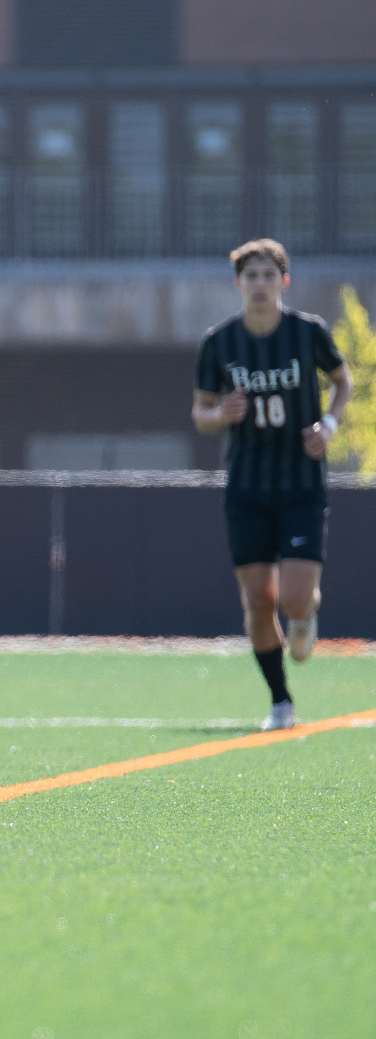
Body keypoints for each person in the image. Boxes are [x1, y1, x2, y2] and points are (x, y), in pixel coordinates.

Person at [191, 237, 352, 731]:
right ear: (238, 283)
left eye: (268, 276)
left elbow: (342, 381)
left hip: (301, 483)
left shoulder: (308, 333)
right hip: (246, 488)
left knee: (294, 600)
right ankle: (280, 701)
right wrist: (222, 412)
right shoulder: (219, 343)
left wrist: (328, 425)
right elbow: (200, 413)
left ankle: (305, 619)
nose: (259, 285)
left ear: (284, 281)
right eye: (250, 276)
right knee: (258, 601)